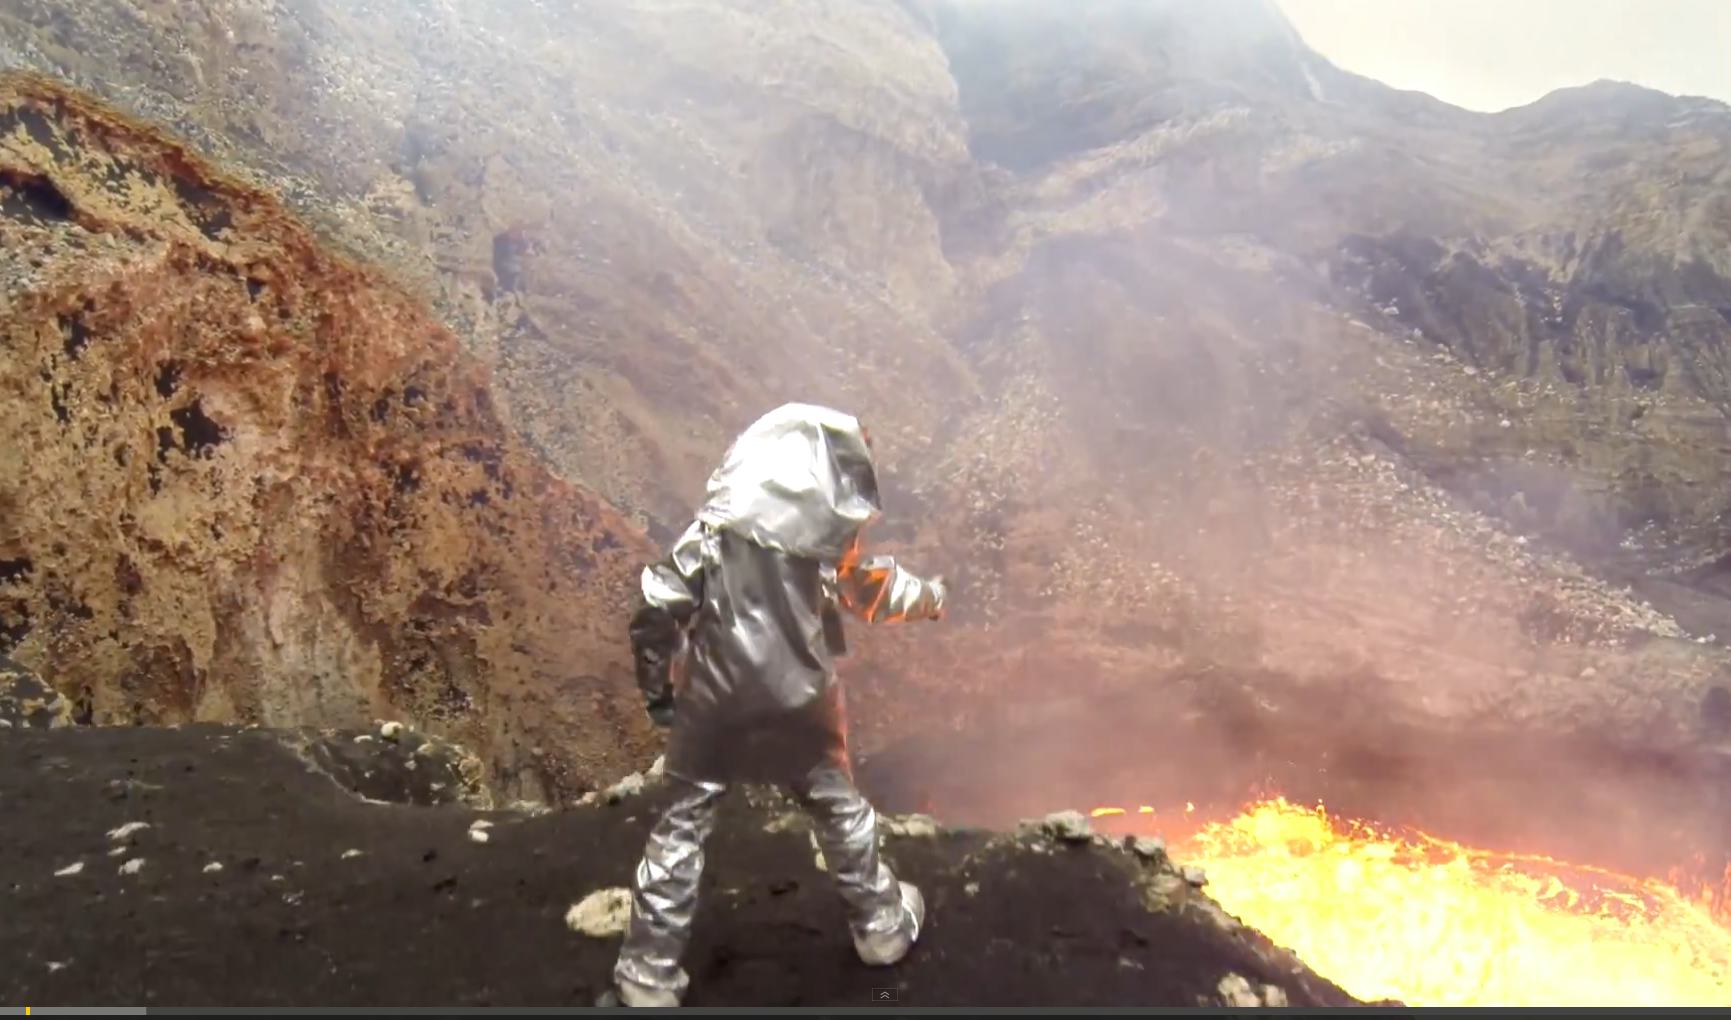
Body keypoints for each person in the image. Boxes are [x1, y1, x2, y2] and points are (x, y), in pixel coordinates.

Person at [608, 402, 949, 1008]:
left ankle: (648, 973)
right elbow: (873, 591)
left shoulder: (710, 537)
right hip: (802, 700)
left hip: (714, 700)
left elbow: (656, 609)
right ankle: (882, 928)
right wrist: (931, 597)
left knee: (681, 826)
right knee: (839, 809)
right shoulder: (821, 546)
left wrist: (658, 691)